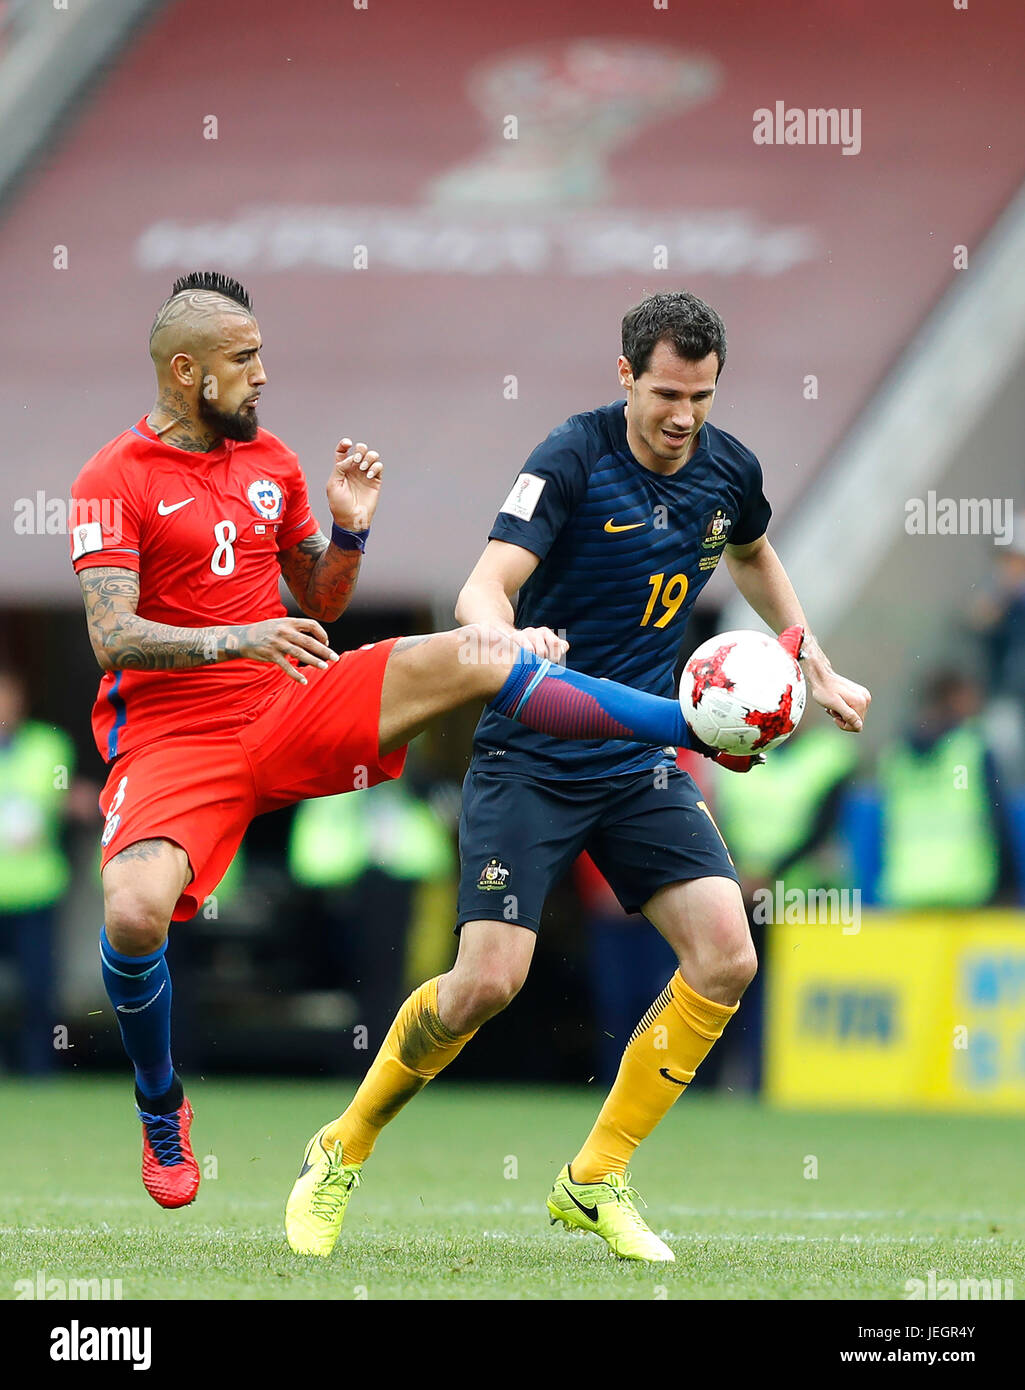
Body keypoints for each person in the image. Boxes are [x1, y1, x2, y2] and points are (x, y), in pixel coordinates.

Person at [70, 272, 755, 1210]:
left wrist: (347, 532)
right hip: (176, 737)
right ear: (186, 372)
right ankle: (160, 1106)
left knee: (482, 651)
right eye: (244, 359)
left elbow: (321, 603)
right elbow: (112, 636)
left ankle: (683, 725)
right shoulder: (110, 479)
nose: (263, 375)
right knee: (134, 917)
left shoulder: (268, 461)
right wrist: (240, 636)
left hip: (285, 705)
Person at [285, 290, 872, 1262]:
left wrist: (806, 655)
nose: (683, 417)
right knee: (485, 982)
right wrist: (503, 633)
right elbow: (485, 580)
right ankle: (342, 1146)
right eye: (665, 394)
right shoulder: (570, 456)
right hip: (531, 754)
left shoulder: (727, 470)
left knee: (726, 954)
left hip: (638, 760)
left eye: (701, 396)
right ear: (624, 377)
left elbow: (754, 550)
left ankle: (594, 1178)